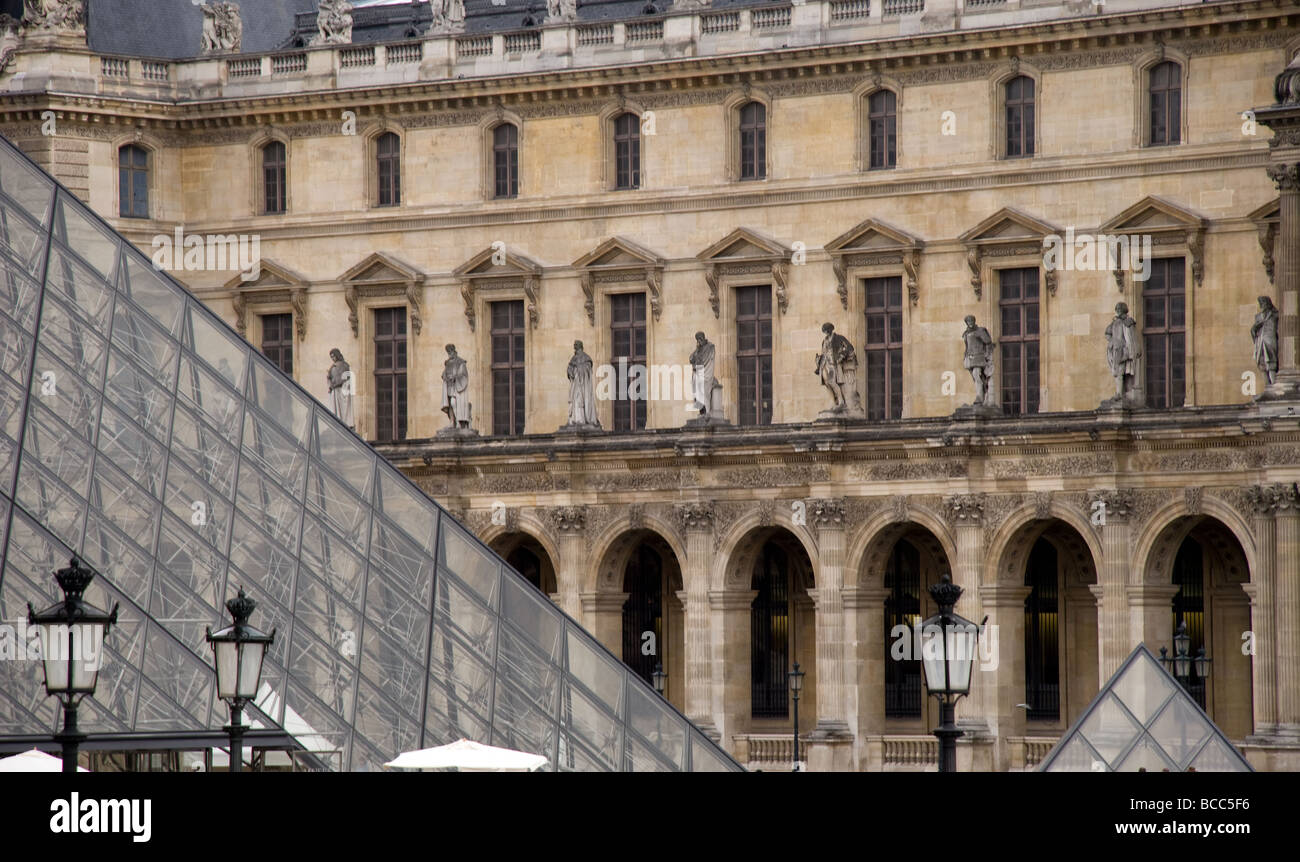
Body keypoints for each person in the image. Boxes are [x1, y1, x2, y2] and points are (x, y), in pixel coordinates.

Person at [814, 322, 861, 413]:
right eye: (824, 331)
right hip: (824, 364)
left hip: (833, 364)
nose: (826, 333)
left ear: (831, 330)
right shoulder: (824, 341)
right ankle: (833, 403)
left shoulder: (839, 338)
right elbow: (824, 352)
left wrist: (842, 356)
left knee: (832, 381)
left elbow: (849, 348)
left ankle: (841, 402)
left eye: (827, 331)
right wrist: (818, 360)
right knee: (827, 383)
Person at [1104, 302, 1139, 403]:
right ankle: (1119, 393)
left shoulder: (1127, 322)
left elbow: (1132, 338)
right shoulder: (1115, 322)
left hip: (1123, 349)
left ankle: (1120, 393)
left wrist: (1130, 350)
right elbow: (1107, 333)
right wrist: (1112, 342)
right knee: (1117, 371)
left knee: (1120, 371)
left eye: (1120, 308)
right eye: (1117, 309)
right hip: (1115, 349)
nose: (1118, 310)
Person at [961, 315, 995, 407]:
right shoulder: (966, 333)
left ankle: (979, 397)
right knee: (975, 378)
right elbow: (967, 346)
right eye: (968, 321)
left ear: (974, 321)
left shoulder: (980, 331)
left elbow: (988, 341)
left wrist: (987, 354)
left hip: (979, 357)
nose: (970, 322)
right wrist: (965, 356)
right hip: (970, 358)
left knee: (977, 375)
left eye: (971, 321)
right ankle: (982, 394)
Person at [566, 340, 600, 428]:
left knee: (582, 399)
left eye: (576, 345)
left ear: (580, 346)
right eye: (574, 345)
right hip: (576, 383)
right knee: (577, 400)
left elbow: (588, 368)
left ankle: (582, 418)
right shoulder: (573, 358)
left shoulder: (586, 357)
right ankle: (577, 418)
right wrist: (571, 372)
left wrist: (580, 370)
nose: (574, 346)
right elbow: (569, 368)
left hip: (582, 384)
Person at [689, 331, 719, 419]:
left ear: (702, 338)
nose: (698, 342)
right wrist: (697, 349)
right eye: (697, 340)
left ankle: (707, 411)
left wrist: (697, 365)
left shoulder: (710, 347)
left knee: (704, 388)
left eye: (699, 339)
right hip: (698, 373)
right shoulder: (699, 348)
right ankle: (702, 410)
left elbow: (704, 361)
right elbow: (691, 358)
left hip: (706, 373)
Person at [441, 344, 472, 429]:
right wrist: (445, 377)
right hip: (449, 386)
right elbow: (444, 374)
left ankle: (458, 421)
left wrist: (455, 377)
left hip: (457, 387)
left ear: (454, 352)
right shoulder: (447, 363)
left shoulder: (460, 362)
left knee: (453, 403)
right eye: (448, 352)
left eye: (450, 352)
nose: (449, 354)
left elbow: (464, 375)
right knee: (450, 404)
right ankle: (452, 421)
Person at [1252, 295, 1279, 386]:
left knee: (1271, 363)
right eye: (1260, 303)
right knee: (1262, 364)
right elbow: (1253, 330)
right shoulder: (1258, 317)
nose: (1261, 305)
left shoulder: (1275, 315)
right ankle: (1267, 387)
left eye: (1263, 303)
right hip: (1260, 342)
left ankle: (1274, 385)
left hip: (1270, 340)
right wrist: (1254, 328)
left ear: (1268, 303)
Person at [326, 348, 355, 430]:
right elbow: (332, 378)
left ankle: (344, 423)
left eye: (333, 356)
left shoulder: (344, 365)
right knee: (338, 410)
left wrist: (333, 384)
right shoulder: (333, 366)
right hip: (337, 391)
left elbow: (343, 378)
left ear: (337, 355)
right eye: (331, 357)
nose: (333, 359)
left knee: (344, 410)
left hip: (342, 390)